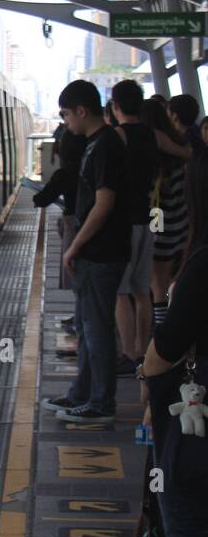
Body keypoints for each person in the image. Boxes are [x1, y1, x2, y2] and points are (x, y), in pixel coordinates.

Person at [140, 148, 208, 537]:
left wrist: (146, 379)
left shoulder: (203, 267)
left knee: (187, 525)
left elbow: (166, 350)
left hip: (197, 432)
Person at [44, 80, 129, 423]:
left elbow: (104, 202)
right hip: (95, 252)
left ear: (81, 110)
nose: (65, 122)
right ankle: (81, 394)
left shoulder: (106, 145)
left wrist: (75, 246)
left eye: (66, 115)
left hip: (101, 252)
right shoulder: (96, 143)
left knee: (96, 330)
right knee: (87, 325)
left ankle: (101, 404)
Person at [110, 80, 159, 376]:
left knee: (121, 292)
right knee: (143, 289)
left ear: (115, 107)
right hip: (151, 215)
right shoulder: (153, 134)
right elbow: (183, 152)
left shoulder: (118, 136)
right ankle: (142, 350)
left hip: (126, 219)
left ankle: (128, 353)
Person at [144, 97, 193, 327]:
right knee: (162, 279)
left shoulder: (158, 151)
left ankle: (162, 330)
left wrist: (154, 234)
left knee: (157, 281)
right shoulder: (178, 149)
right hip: (179, 221)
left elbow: (156, 205)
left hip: (161, 219)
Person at [34, 121, 86, 296]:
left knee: (74, 269)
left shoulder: (65, 173)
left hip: (75, 223)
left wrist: (37, 196)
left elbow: (42, 199)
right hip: (151, 222)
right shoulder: (89, 167)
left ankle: (80, 317)